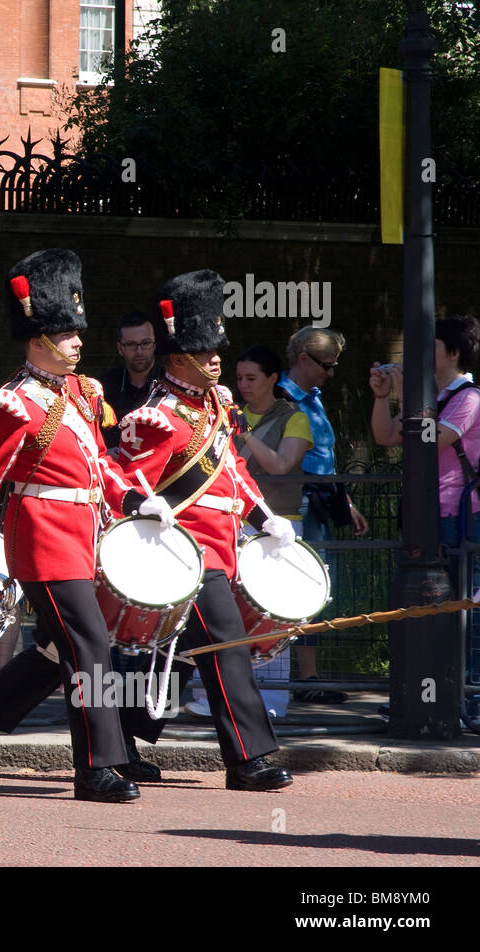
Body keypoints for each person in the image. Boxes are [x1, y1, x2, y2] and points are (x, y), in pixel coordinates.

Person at [0, 249, 150, 802]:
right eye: (66, 333)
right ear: (38, 339)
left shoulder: (83, 393)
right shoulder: (12, 403)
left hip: (85, 535)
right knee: (90, 646)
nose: (79, 341)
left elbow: (99, 462)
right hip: (42, 537)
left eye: (77, 331)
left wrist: (130, 498)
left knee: (59, 650)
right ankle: (97, 766)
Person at [110, 269, 294, 791]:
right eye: (205, 350)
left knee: (182, 657)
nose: (218, 358)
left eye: (217, 348)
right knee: (225, 645)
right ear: (177, 357)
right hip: (182, 551)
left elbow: (233, 472)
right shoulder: (154, 416)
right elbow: (131, 486)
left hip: (223, 547)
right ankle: (248, 758)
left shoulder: (215, 407)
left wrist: (263, 519)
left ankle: (122, 737)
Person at [186, 344, 311, 719]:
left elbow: (281, 465)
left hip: (278, 524)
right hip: (230, 522)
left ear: (273, 378)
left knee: (273, 613)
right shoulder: (219, 413)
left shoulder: (294, 418)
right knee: (224, 614)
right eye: (239, 378)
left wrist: (240, 431)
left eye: (251, 378)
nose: (243, 385)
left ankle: (272, 701)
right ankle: (210, 699)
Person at [370, 314, 480, 717]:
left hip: (459, 515)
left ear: (452, 352)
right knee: (430, 609)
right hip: (428, 514)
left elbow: (430, 441)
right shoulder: (431, 397)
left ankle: (468, 694)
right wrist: (384, 397)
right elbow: (386, 438)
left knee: (462, 606)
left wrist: (406, 396)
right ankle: (429, 694)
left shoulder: (469, 398)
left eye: (430, 346)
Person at [278, 326, 368, 700]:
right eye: (326, 366)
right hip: (297, 502)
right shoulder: (282, 398)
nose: (331, 374)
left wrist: (345, 502)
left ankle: (306, 677)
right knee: (301, 585)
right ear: (303, 360)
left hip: (319, 498)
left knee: (316, 585)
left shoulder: (312, 397)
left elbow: (323, 455)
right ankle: (297, 677)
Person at [98, 311, 161, 448]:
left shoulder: (169, 382)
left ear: (155, 345)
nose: (139, 352)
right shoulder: (104, 385)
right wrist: (105, 453)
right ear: (120, 348)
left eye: (146, 343)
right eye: (131, 345)